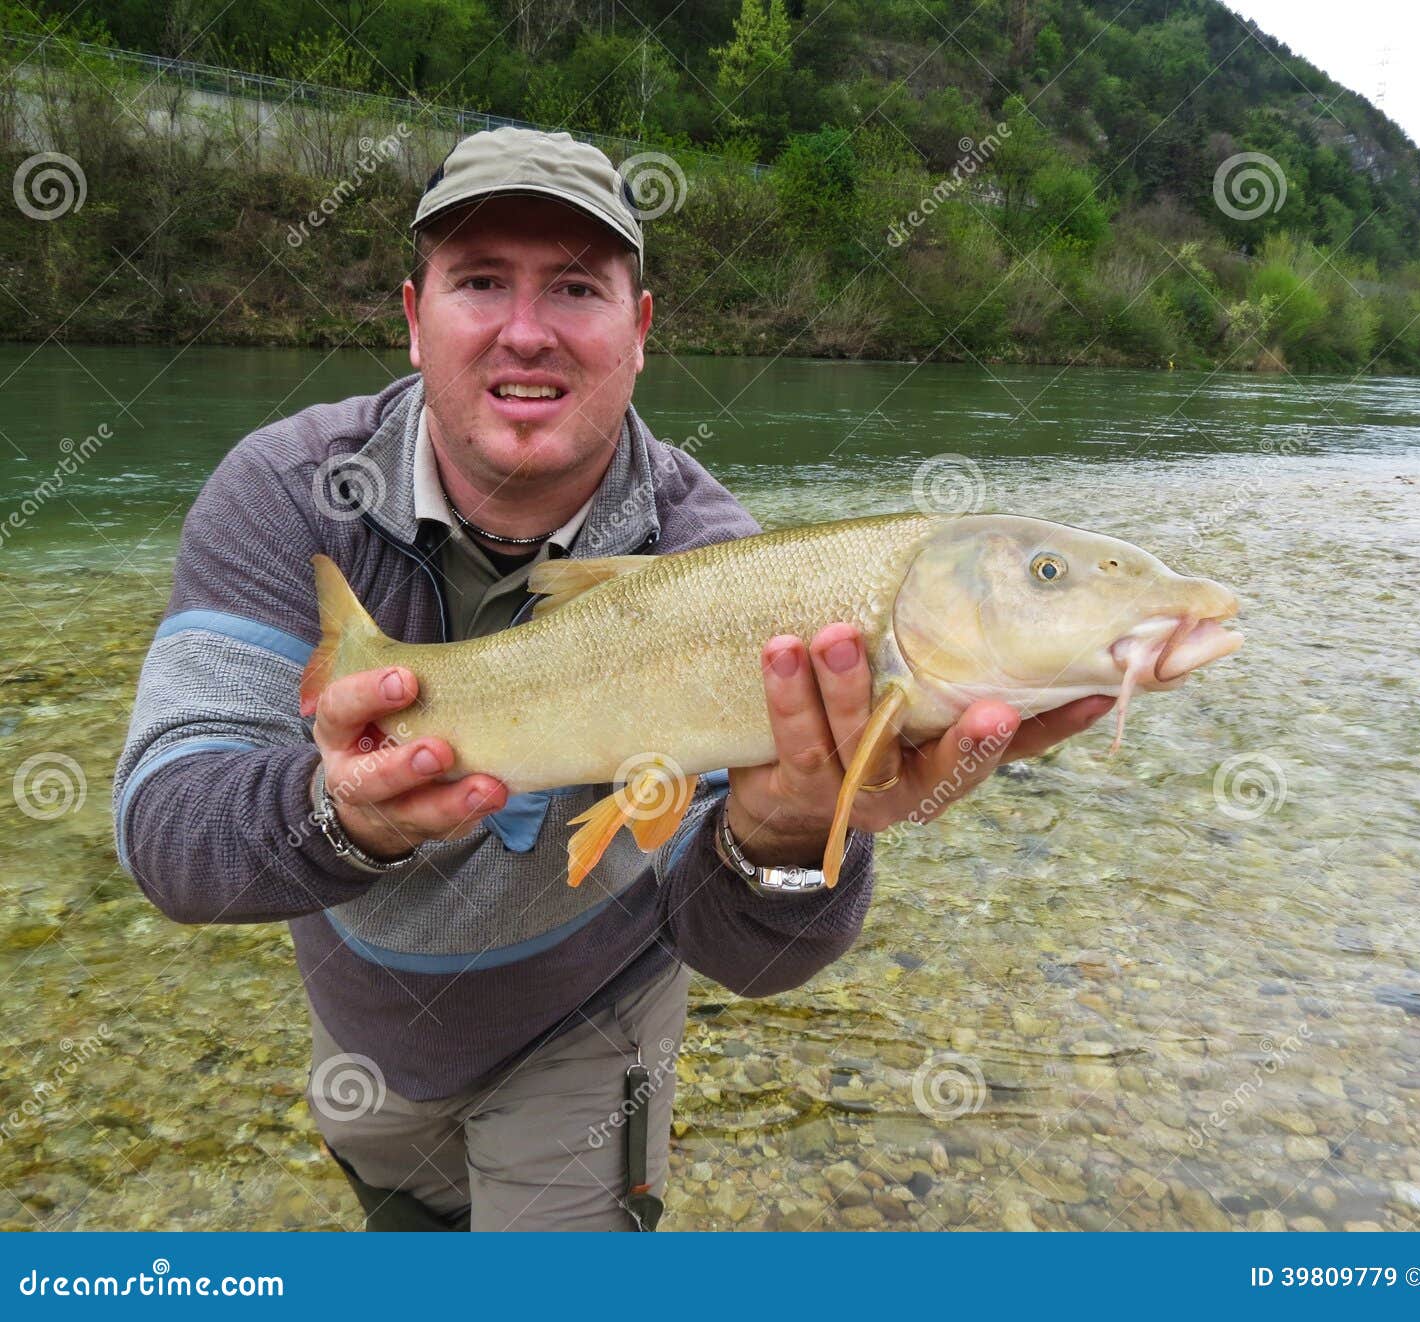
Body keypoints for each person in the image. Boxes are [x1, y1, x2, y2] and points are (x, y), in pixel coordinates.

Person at [113, 127, 1112, 1232]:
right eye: (481, 280)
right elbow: (170, 838)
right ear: (411, 318)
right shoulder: (289, 492)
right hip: (365, 1032)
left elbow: (741, 950)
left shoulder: (721, 560)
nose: (527, 332)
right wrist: (336, 811)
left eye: (577, 287)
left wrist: (782, 839)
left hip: (590, 1026)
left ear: (638, 332)